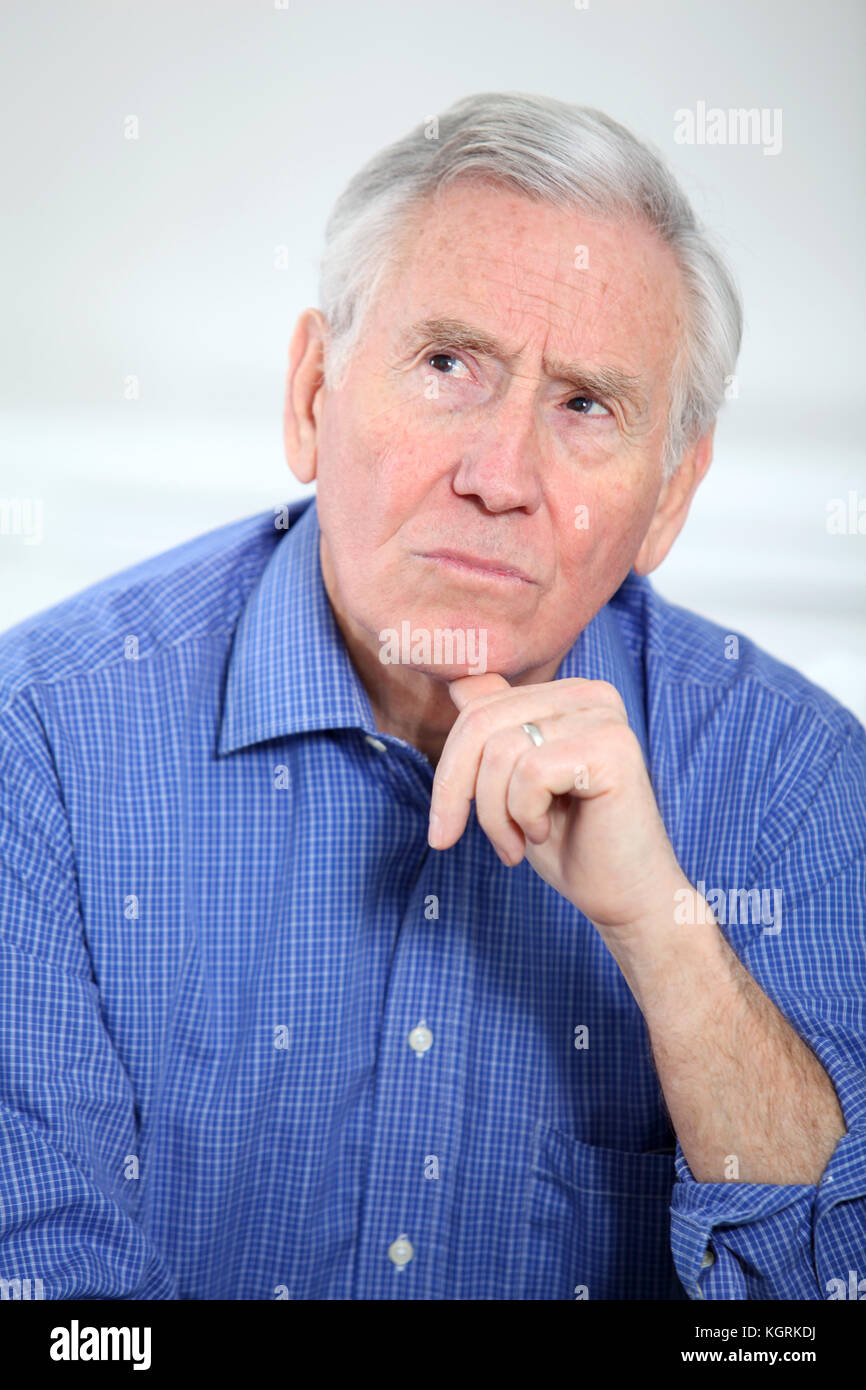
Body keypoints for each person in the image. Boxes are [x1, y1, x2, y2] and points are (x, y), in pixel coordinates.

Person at [1, 92, 864, 1303]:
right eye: (448, 363)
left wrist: (667, 942)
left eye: (583, 405)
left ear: (669, 496)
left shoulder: (803, 782)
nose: (498, 476)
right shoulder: (35, 741)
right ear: (313, 395)